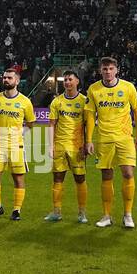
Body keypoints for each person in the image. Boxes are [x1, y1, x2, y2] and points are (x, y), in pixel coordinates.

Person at [84, 56, 137, 229]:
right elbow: (89, 116)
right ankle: (107, 215)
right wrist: (88, 140)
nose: (108, 72)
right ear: (100, 70)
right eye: (104, 69)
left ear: (117, 70)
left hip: (125, 138)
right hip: (104, 138)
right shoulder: (94, 89)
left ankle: (128, 215)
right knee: (106, 176)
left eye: (111, 68)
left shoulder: (128, 87)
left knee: (128, 174)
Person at [0, 68, 34, 220]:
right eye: (4, 77)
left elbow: (31, 122)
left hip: (16, 145)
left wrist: (21, 133)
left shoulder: (25, 102)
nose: (6, 80)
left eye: (9, 78)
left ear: (17, 81)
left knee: (18, 177)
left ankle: (16, 210)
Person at [46, 70, 88, 223]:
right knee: (57, 178)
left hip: (77, 146)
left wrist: (86, 143)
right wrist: (50, 146)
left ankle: (82, 213)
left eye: (70, 79)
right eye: (65, 80)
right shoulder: (57, 101)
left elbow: (88, 125)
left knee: (80, 178)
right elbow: (51, 125)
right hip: (60, 145)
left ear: (77, 81)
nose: (67, 82)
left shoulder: (84, 101)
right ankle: (56, 211)